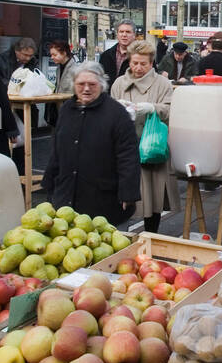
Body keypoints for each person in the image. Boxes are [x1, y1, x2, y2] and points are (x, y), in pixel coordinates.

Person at [42, 61, 140, 226]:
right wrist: (49, 182)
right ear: (73, 85)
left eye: (92, 84)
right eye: (81, 84)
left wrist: (128, 192)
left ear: (101, 85)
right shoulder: (67, 109)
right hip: (66, 193)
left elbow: (128, 156)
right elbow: (57, 150)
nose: (86, 89)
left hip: (101, 197)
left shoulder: (117, 114)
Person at [111, 40, 180, 234]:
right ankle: (121, 236)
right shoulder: (119, 83)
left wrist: (153, 108)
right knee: (122, 195)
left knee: (153, 196)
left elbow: (171, 109)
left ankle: (151, 234)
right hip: (125, 146)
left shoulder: (162, 83)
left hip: (151, 145)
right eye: (134, 63)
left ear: (152, 63)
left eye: (144, 64)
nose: (138, 68)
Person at [45, 41, 78, 127]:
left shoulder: (75, 69)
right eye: (51, 55)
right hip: (61, 109)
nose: (52, 57)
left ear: (64, 53)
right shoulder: (58, 68)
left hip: (70, 110)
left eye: (55, 55)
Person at [99, 21, 137, 87]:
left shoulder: (143, 56)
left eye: (128, 32)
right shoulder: (106, 55)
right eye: (121, 32)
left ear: (134, 35)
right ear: (117, 34)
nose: (124, 35)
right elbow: (100, 80)